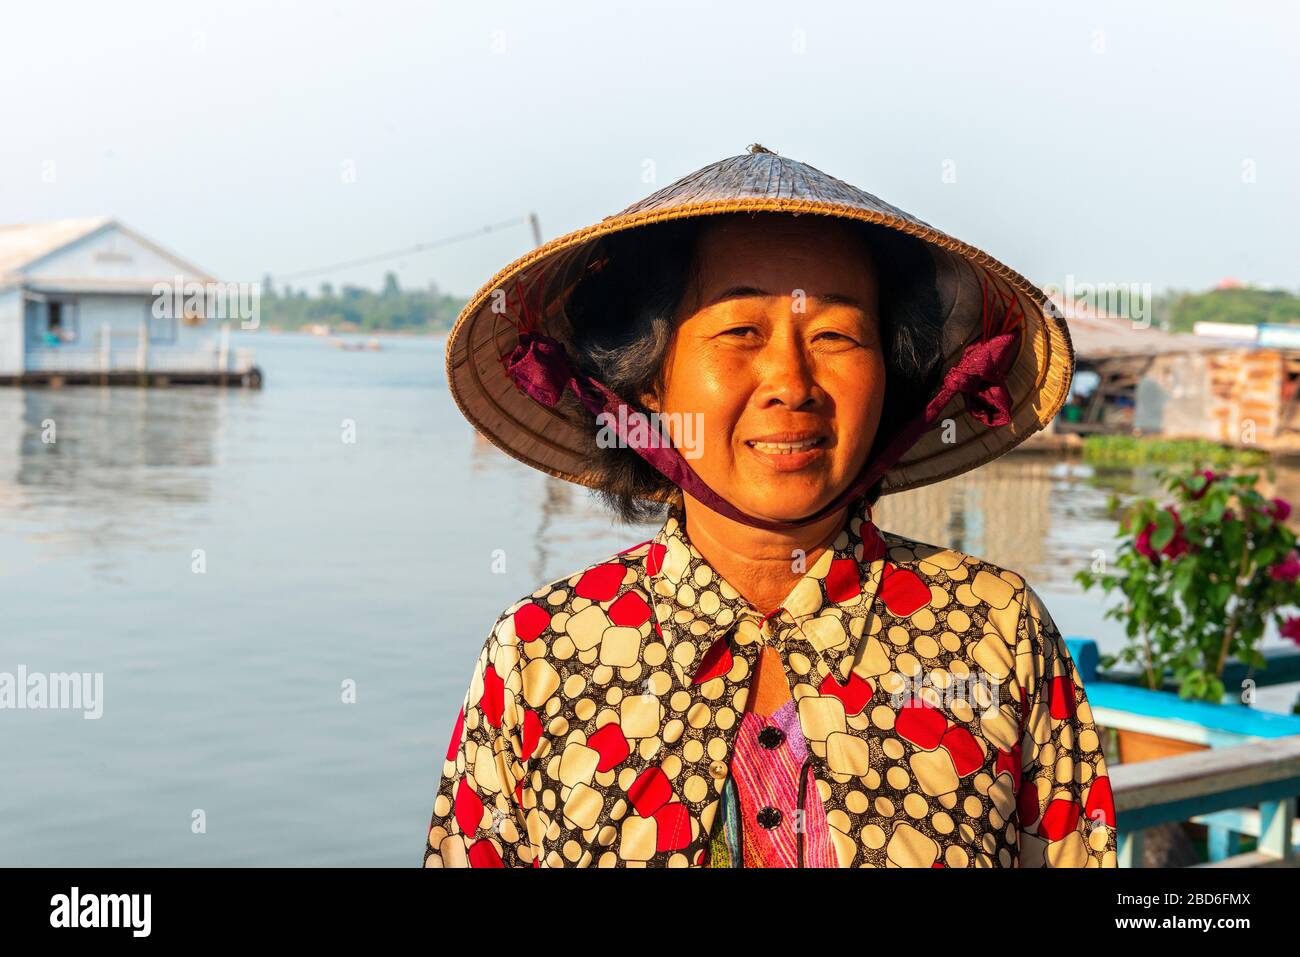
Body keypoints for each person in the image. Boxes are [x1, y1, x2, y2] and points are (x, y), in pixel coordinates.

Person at [423, 145, 1117, 868]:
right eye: (740, 333)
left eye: (837, 336)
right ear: (648, 383)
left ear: (892, 380)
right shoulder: (538, 650)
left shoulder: (996, 630)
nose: (792, 381)